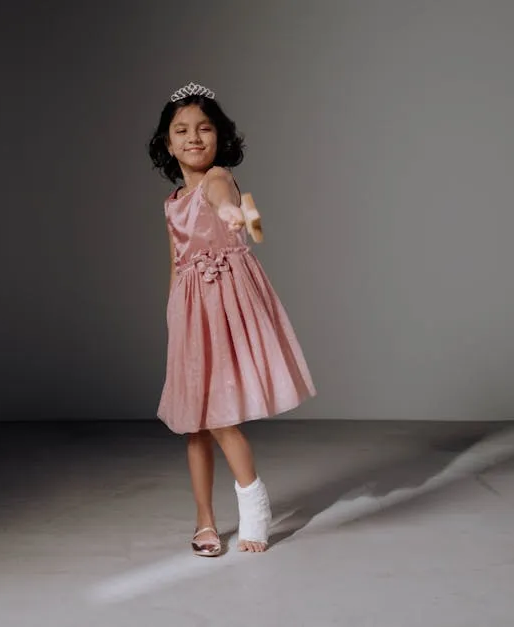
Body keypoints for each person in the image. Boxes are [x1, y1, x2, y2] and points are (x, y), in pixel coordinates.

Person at [148, 82, 317, 556]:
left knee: (219, 415)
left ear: (219, 136)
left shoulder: (219, 177)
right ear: (168, 142)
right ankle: (204, 521)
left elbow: (223, 198)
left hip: (223, 305)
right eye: (182, 130)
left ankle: (254, 503)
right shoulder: (171, 202)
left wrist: (233, 212)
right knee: (193, 423)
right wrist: (171, 318)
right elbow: (175, 263)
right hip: (188, 310)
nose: (194, 138)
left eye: (204, 128)